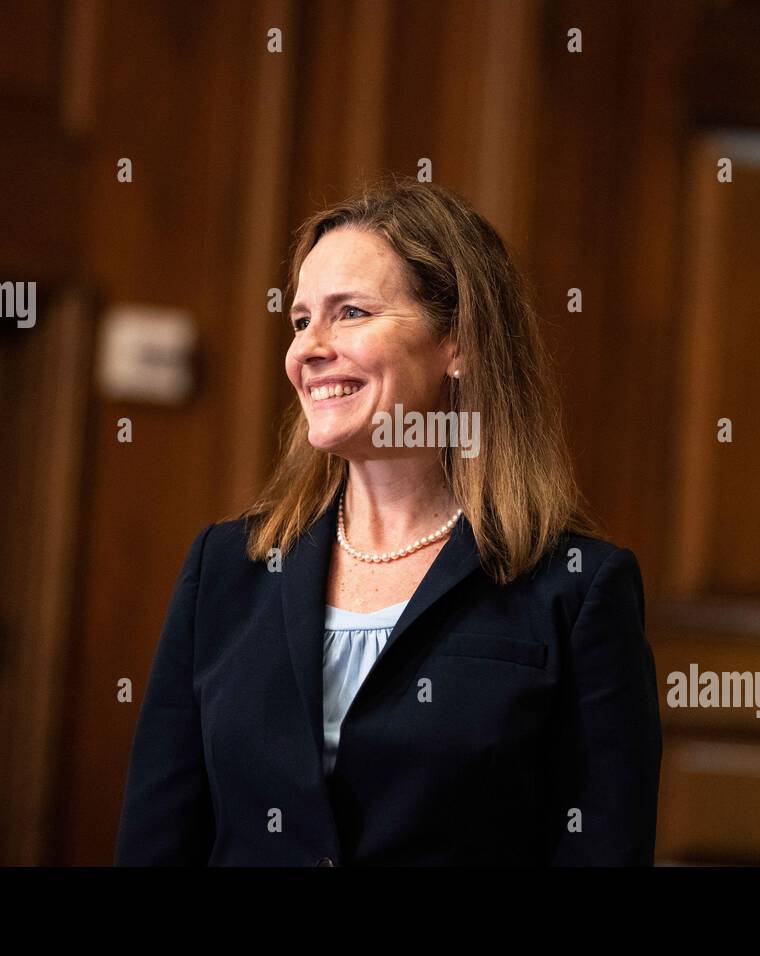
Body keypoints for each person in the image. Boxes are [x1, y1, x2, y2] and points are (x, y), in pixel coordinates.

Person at [114, 174, 661, 865]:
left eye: (350, 313)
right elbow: (156, 844)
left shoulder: (578, 588)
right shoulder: (225, 569)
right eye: (302, 319)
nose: (310, 348)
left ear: (457, 342)